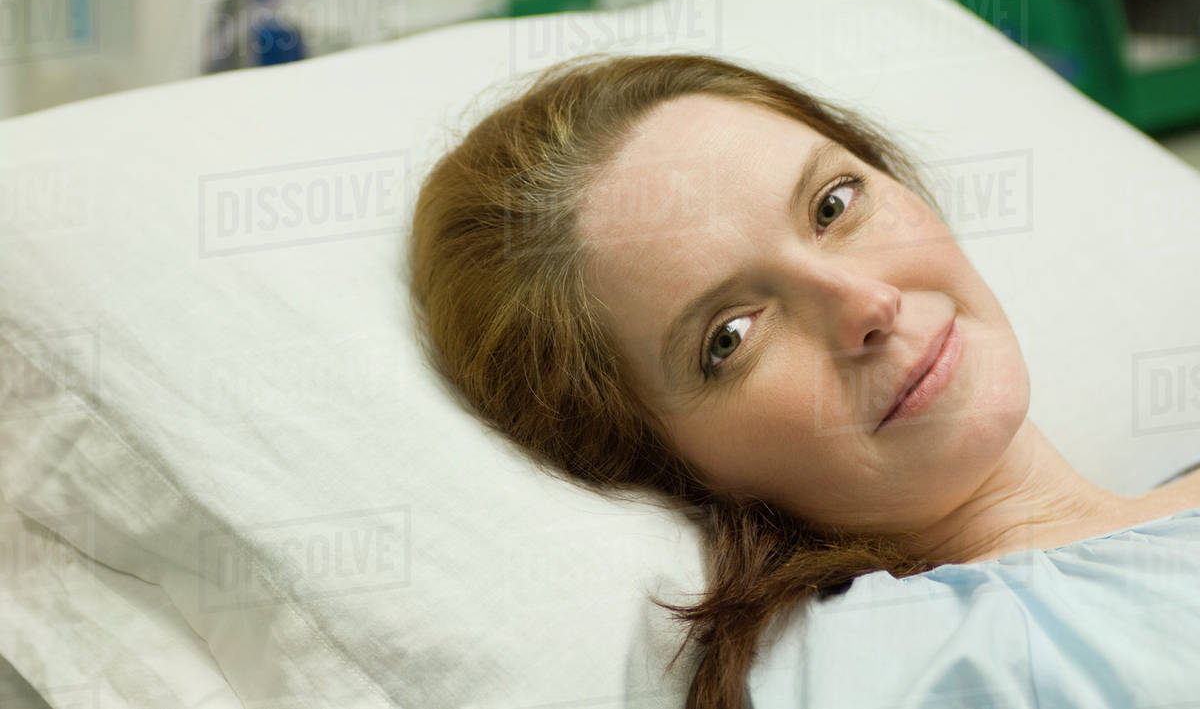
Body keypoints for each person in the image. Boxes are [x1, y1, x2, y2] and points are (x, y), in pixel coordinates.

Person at [405, 52, 1200, 709]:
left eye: (832, 205)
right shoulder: (915, 666)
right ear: (667, 464)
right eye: (731, 335)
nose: (867, 304)